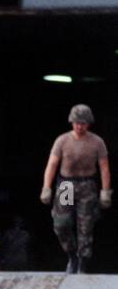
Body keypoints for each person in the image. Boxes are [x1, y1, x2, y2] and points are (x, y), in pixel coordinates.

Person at [41, 104, 112, 274]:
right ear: (72, 122)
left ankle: (82, 261)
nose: (80, 126)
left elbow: (104, 167)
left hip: (87, 184)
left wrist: (105, 191)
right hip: (67, 184)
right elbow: (52, 164)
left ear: (89, 124)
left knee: (86, 226)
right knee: (62, 223)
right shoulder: (63, 140)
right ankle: (71, 254)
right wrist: (46, 187)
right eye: (77, 123)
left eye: (83, 123)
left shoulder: (97, 142)